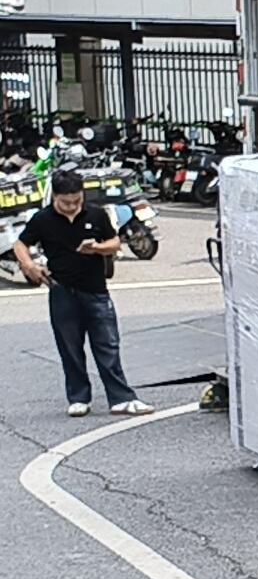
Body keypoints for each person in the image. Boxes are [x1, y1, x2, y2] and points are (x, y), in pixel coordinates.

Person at [11, 171, 153, 418]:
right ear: (55, 197)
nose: (71, 206)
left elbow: (114, 243)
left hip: (95, 290)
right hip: (61, 290)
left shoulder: (96, 214)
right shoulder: (43, 219)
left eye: (76, 201)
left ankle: (121, 398)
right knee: (70, 347)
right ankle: (78, 398)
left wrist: (97, 248)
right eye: (65, 202)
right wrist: (29, 266)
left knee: (108, 345)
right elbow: (20, 244)